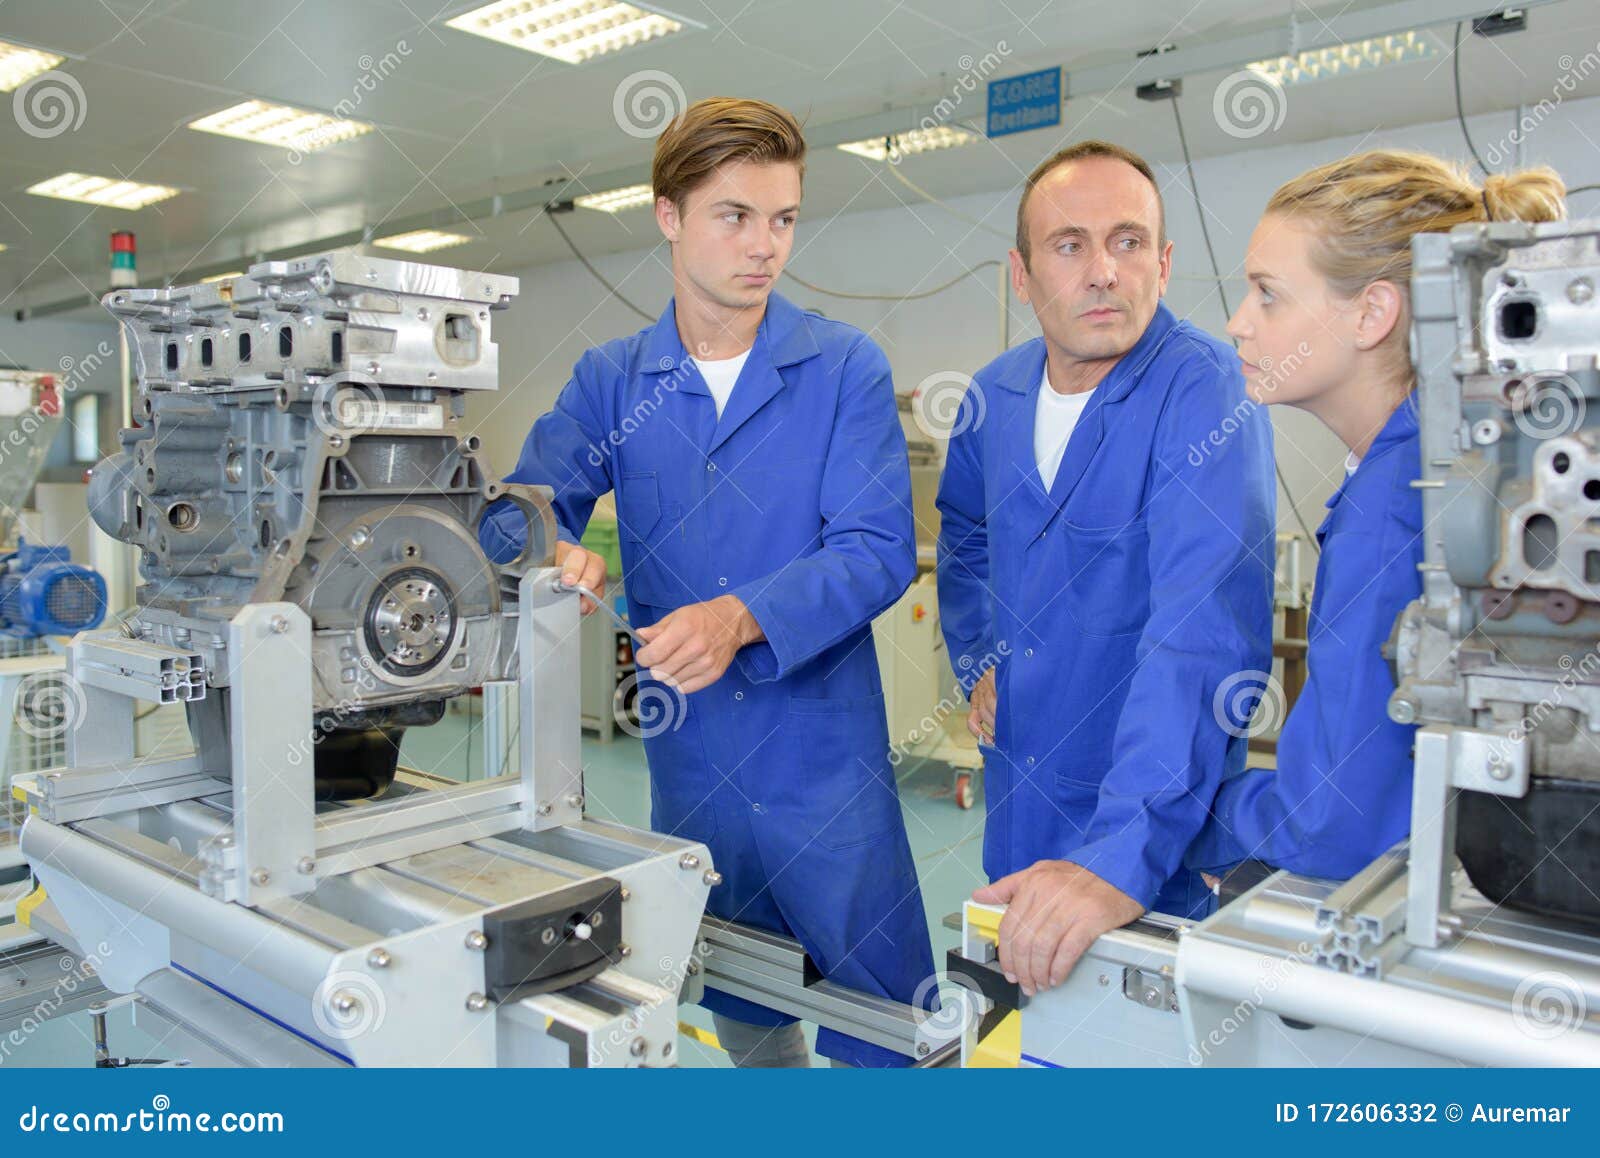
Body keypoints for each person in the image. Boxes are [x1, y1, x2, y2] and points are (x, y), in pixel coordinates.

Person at [478, 97, 933, 1067]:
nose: (764, 246)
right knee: (742, 993)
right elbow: (515, 507)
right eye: (735, 215)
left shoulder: (842, 367)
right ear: (668, 214)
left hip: (824, 768)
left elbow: (874, 549)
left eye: (783, 219)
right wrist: (550, 545)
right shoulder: (613, 380)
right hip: (690, 765)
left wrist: (739, 617)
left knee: (883, 1021)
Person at [936, 140, 1277, 999]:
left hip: (1148, 829)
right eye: (1069, 245)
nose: (1102, 273)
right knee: (1017, 1048)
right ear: (1021, 274)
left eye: (1128, 243)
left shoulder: (1203, 391)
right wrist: (979, 659)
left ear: (1162, 264)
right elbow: (965, 539)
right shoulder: (993, 397)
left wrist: (1121, 859)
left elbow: (1203, 636)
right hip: (1021, 803)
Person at [1187, 149, 1566, 881]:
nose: (1238, 323)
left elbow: (1334, 825)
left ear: (1372, 313)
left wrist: (1183, 817)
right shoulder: (1453, 460)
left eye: (1268, 294)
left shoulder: (1395, 509)